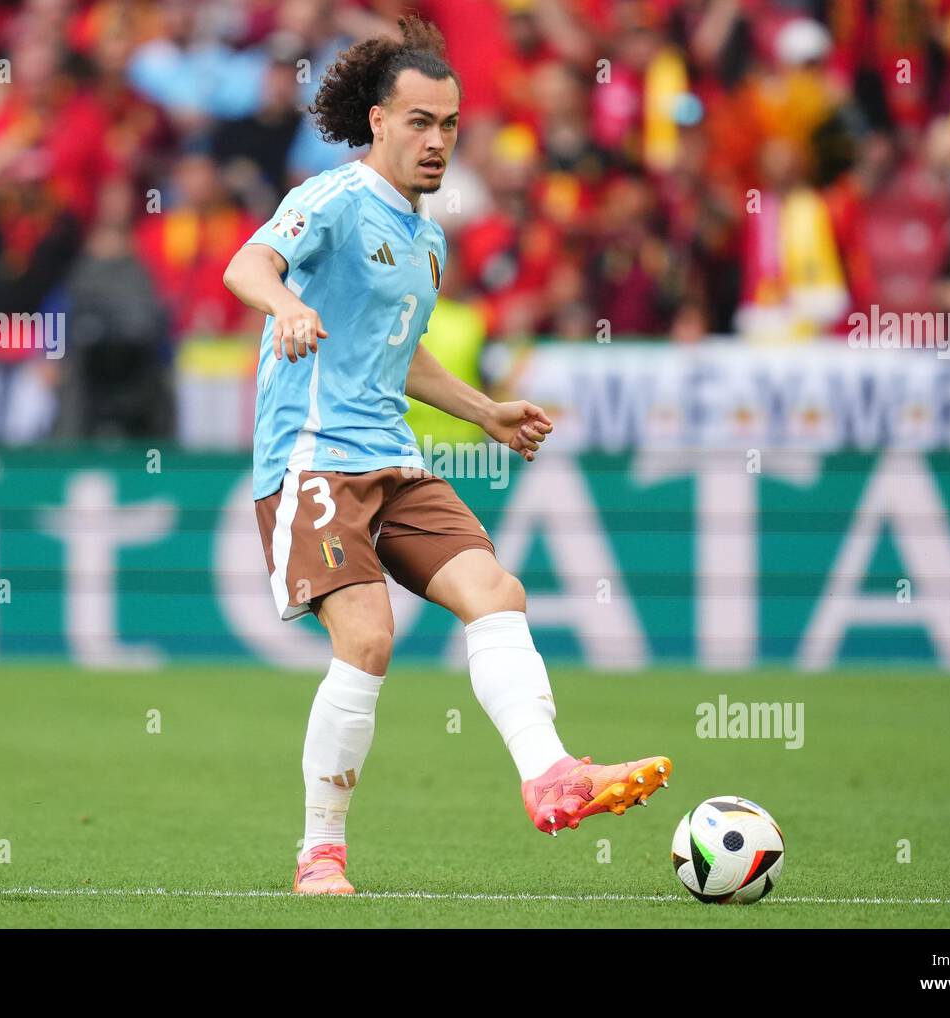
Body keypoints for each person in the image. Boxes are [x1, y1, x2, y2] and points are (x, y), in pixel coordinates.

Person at [222, 15, 671, 896]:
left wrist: (485, 412)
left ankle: (550, 774)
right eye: (420, 121)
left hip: (392, 455)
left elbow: (400, 349)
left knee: (497, 592)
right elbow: (247, 263)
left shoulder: (426, 240)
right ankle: (322, 851)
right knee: (368, 636)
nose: (437, 140)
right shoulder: (333, 198)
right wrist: (282, 307)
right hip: (312, 458)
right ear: (379, 121)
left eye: (449, 124)